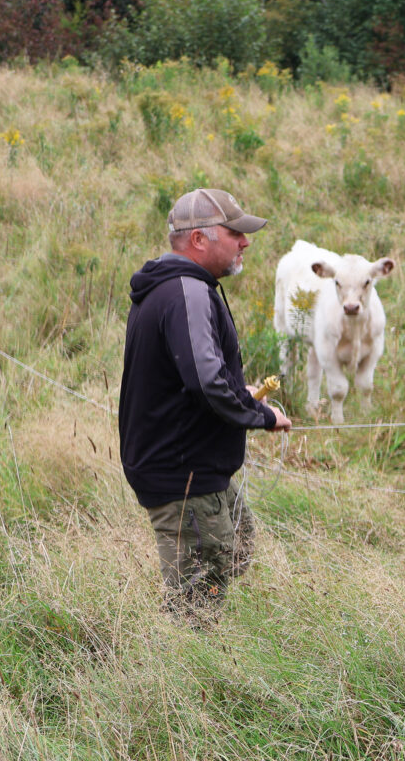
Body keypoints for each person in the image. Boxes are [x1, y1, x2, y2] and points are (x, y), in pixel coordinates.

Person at [118, 187, 291, 619]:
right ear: (199, 240)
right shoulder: (186, 292)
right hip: (183, 477)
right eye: (235, 233)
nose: (245, 242)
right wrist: (261, 415)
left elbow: (193, 377)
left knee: (236, 548)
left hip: (193, 468)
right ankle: (180, 676)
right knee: (197, 606)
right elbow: (206, 382)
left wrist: (239, 391)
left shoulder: (176, 288)